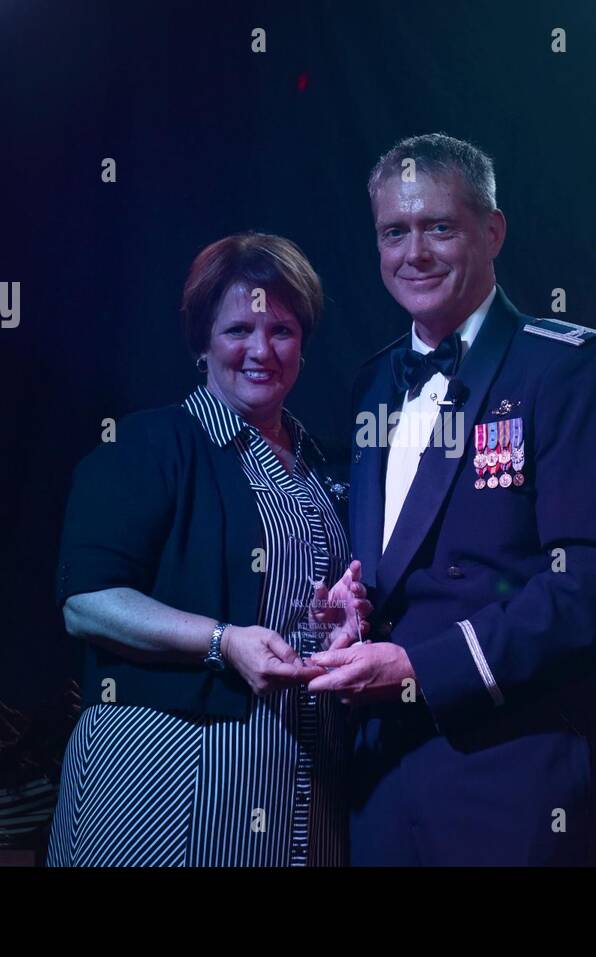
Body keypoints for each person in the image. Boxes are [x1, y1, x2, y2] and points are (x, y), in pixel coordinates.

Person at [307, 133, 596, 865]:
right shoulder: (374, 382)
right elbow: (395, 567)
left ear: (492, 230)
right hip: (382, 781)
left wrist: (423, 670)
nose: (415, 253)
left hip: (510, 777)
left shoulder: (568, 370)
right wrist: (352, 599)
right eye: (394, 232)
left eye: (440, 226)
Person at [47, 233, 369, 866]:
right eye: (237, 330)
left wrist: (345, 608)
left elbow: (318, 595)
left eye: (280, 330)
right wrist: (224, 641)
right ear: (202, 342)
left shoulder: (329, 465)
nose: (260, 350)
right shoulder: (147, 445)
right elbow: (87, 603)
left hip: (301, 777)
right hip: (163, 781)